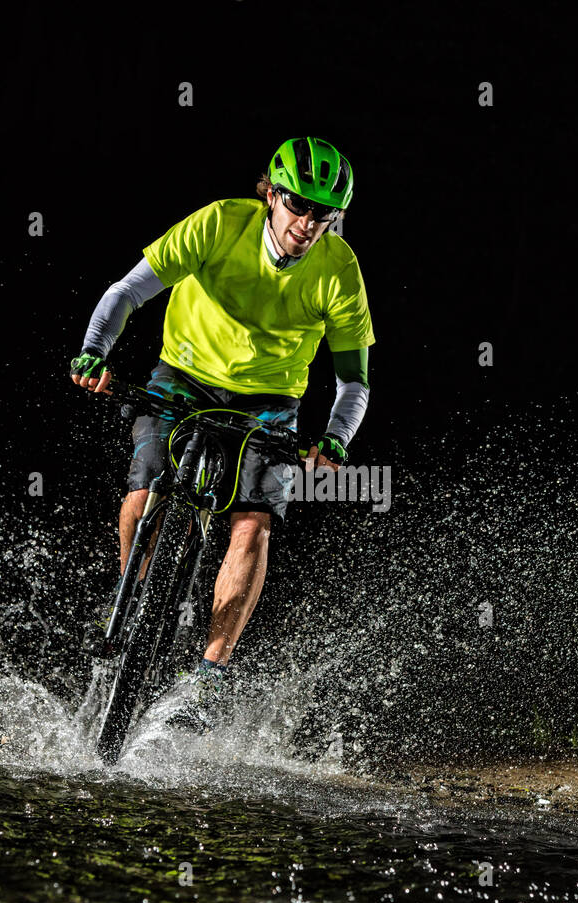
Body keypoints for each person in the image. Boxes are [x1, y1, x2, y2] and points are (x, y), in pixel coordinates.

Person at [70, 136, 375, 725]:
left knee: (252, 526)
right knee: (142, 495)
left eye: (324, 213)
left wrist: (337, 438)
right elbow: (126, 292)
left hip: (270, 399)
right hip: (183, 375)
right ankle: (129, 595)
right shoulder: (219, 223)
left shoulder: (340, 270)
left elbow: (354, 382)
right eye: (297, 204)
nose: (308, 223)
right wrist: (92, 352)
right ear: (270, 194)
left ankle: (211, 671)